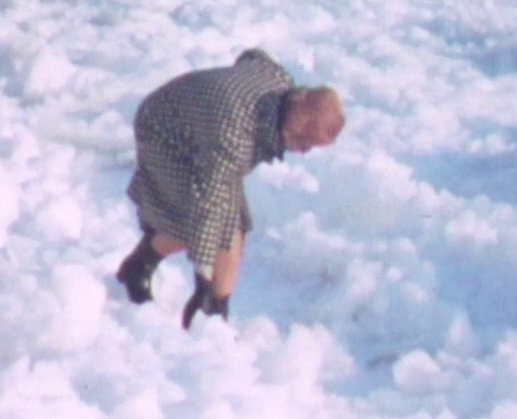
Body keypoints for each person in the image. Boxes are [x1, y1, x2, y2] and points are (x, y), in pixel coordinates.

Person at [116, 48, 345, 329]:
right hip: (164, 130)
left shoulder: (280, 83)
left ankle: (216, 314)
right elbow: (207, 207)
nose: (305, 152)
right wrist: (202, 280)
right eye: (306, 146)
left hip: (203, 127)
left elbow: (253, 58)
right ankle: (144, 268)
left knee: (235, 226)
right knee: (199, 226)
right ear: (293, 130)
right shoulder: (235, 137)